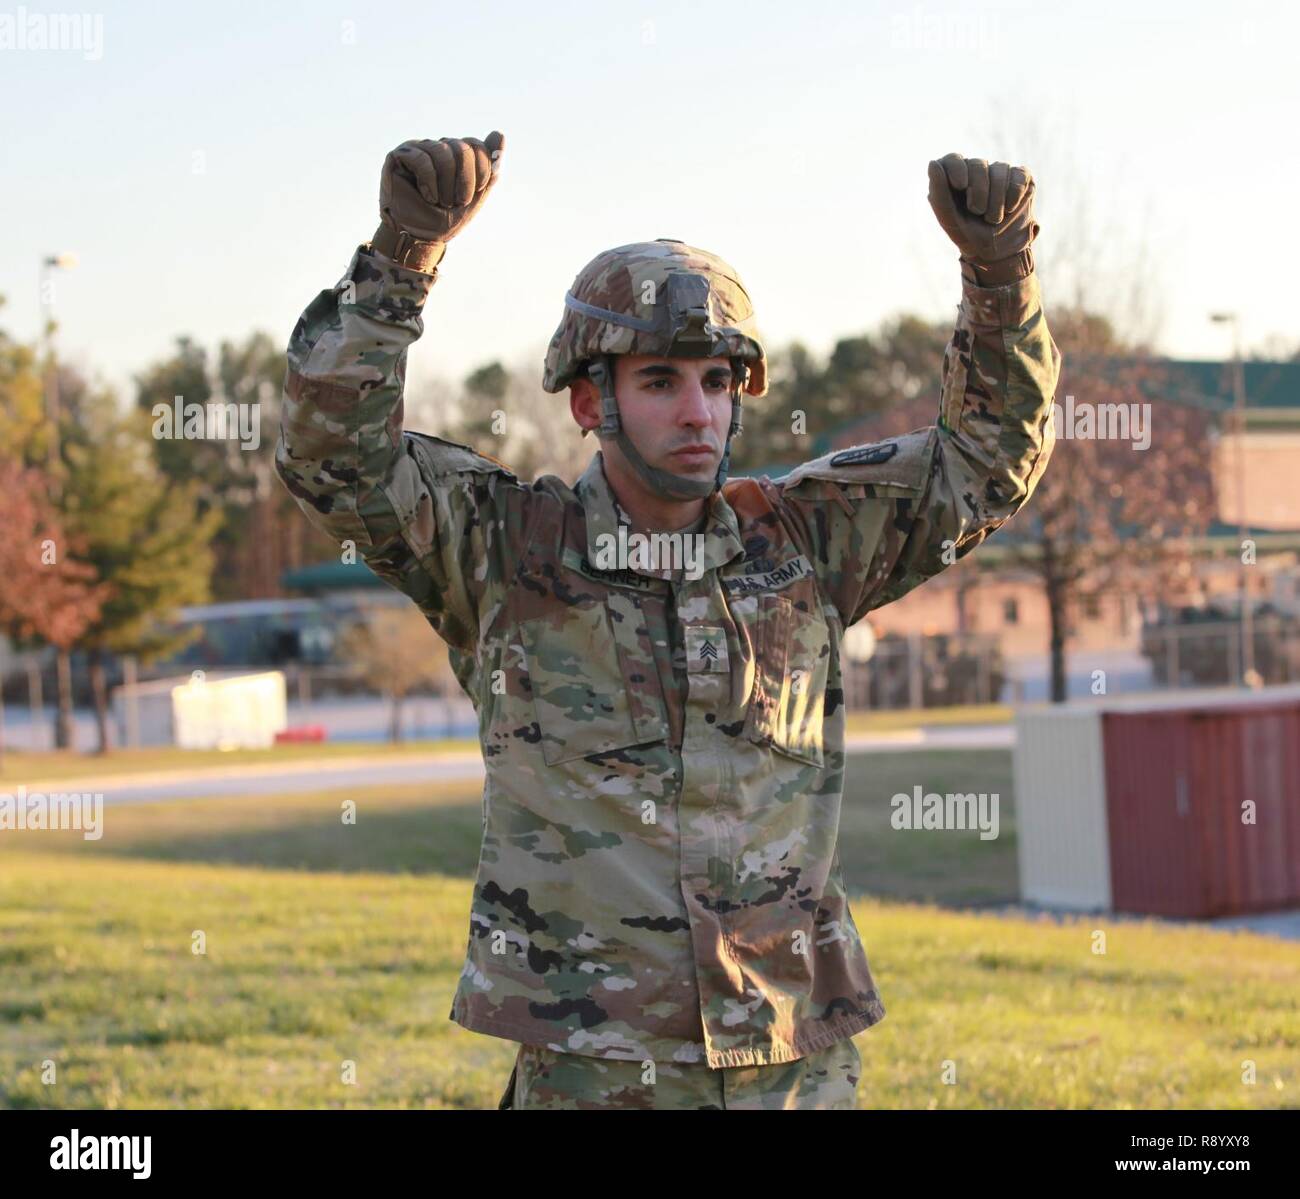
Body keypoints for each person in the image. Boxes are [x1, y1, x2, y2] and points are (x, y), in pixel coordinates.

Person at [275, 133, 1060, 1110]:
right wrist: (400, 259)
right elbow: (332, 458)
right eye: (659, 380)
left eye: (718, 381)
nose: (698, 411)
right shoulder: (505, 548)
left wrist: (998, 276)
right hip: (591, 1071)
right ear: (587, 400)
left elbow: (983, 464)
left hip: (790, 1069)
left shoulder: (806, 542)